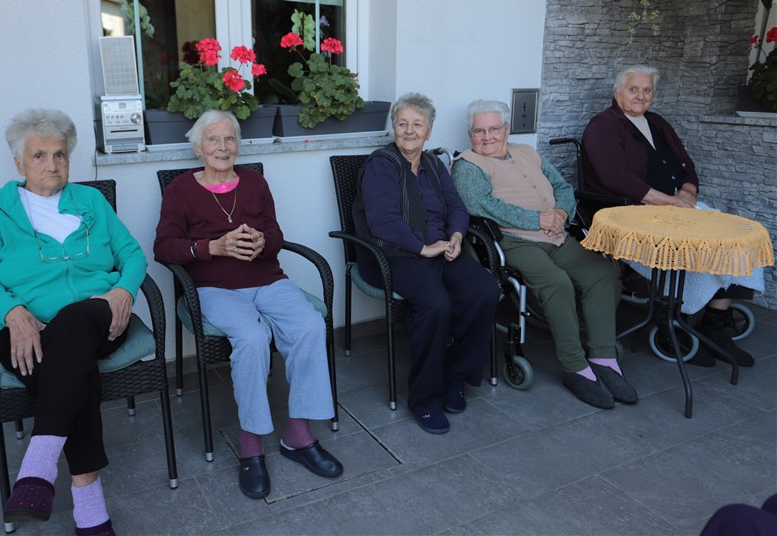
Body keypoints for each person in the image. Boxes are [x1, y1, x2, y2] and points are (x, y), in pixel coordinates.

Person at [0, 109, 145, 536]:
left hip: (99, 316)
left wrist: (123, 290)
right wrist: (12, 314)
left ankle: (37, 466)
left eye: (60, 155)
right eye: (40, 155)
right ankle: (90, 508)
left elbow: (133, 255)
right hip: (26, 332)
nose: (52, 165)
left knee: (77, 319)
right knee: (71, 372)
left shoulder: (92, 202)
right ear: (19, 164)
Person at [153, 110, 341, 499]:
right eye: (213, 140)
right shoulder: (180, 191)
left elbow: (275, 233)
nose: (222, 148)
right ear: (198, 147)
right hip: (213, 288)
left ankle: (298, 434)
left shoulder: (255, 182)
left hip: (268, 280)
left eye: (230, 139)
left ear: (238, 144)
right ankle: (251, 444)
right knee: (253, 339)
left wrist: (263, 242)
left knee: (309, 326)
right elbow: (163, 247)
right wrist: (213, 247)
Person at [452, 100, 634, 409]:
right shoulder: (468, 165)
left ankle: (603, 356)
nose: (487, 137)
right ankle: (576, 366)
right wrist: (538, 220)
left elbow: (562, 186)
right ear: (469, 134)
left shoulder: (527, 152)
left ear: (506, 129)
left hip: (556, 234)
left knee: (602, 272)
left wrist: (561, 213)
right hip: (513, 241)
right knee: (556, 283)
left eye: (494, 128)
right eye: (479, 130)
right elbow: (480, 207)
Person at [583, 65, 764, 367]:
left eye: (647, 90)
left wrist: (689, 191)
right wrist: (666, 200)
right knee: (690, 248)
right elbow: (613, 176)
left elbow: (686, 164)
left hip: (677, 207)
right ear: (617, 93)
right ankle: (674, 325)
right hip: (632, 213)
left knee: (732, 240)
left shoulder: (657, 122)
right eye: (633, 89)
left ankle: (715, 325)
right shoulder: (603, 126)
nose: (640, 95)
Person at [354, 92, 498, 434]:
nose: (409, 130)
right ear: (394, 128)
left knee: (484, 290)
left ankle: (454, 377)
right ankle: (425, 398)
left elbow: (457, 208)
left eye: (417, 124)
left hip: (439, 249)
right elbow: (383, 223)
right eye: (402, 123)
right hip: (393, 254)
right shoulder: (381, 165)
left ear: (428, 131)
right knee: (435, 304)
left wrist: (457, 237)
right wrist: (422, 248)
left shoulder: (434, 164)